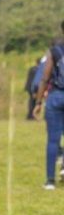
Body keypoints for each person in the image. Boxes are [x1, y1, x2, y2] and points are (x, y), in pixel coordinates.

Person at [33, 21, 64, 189]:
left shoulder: (54, 51)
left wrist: (38, 102)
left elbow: (44, 78)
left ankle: (50, 181)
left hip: (56, 96)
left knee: (53, 140)